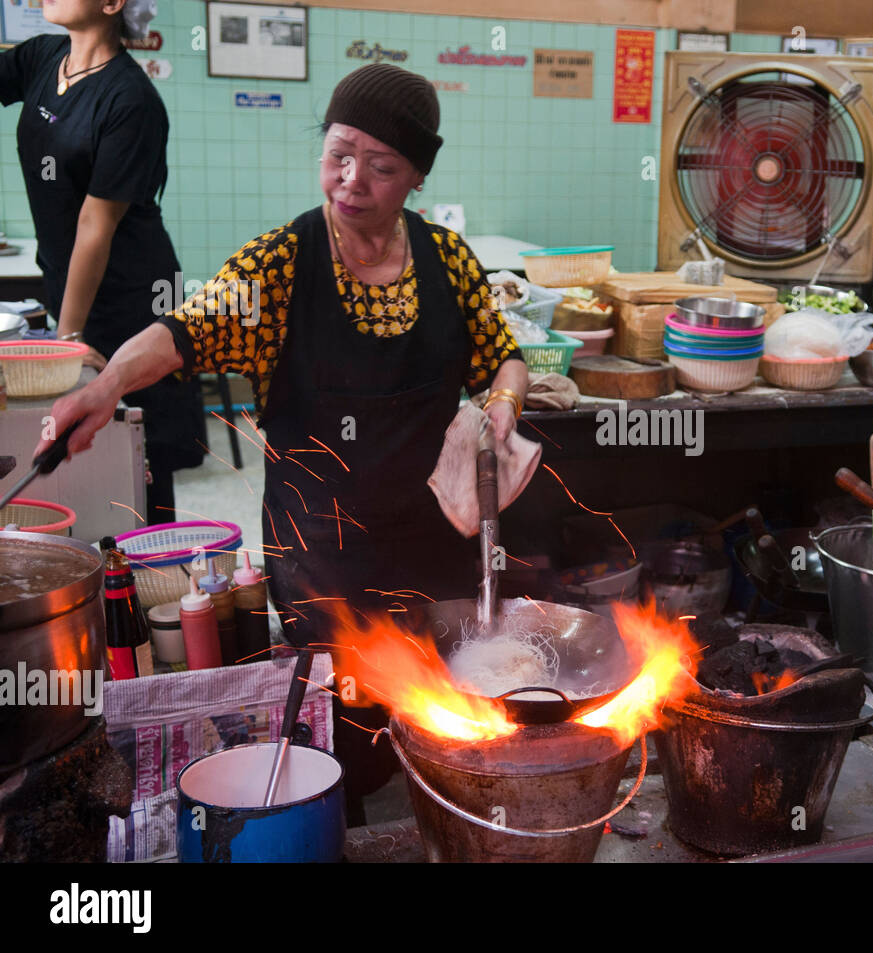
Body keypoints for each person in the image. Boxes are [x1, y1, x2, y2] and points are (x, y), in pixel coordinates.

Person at [40, 63, 529, 821]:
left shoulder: (448, 262)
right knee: (345, 749)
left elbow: (503, 352)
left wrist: (501, 405)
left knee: (451, 727)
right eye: (338, 153)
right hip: (323, 560)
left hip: (434, 558)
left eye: (381, 165)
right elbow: (181, 332)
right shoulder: (279, 264)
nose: (352, 179)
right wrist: (103, 388)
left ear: (416, 179)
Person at [0, 0, 205, 523]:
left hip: (133, 297)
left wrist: (66, 343)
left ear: (112, 3)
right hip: (67, 282)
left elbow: (96, 227)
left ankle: (148, 579)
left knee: (137, 453)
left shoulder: (131, 99)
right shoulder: (46, 57)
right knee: (74, 449)